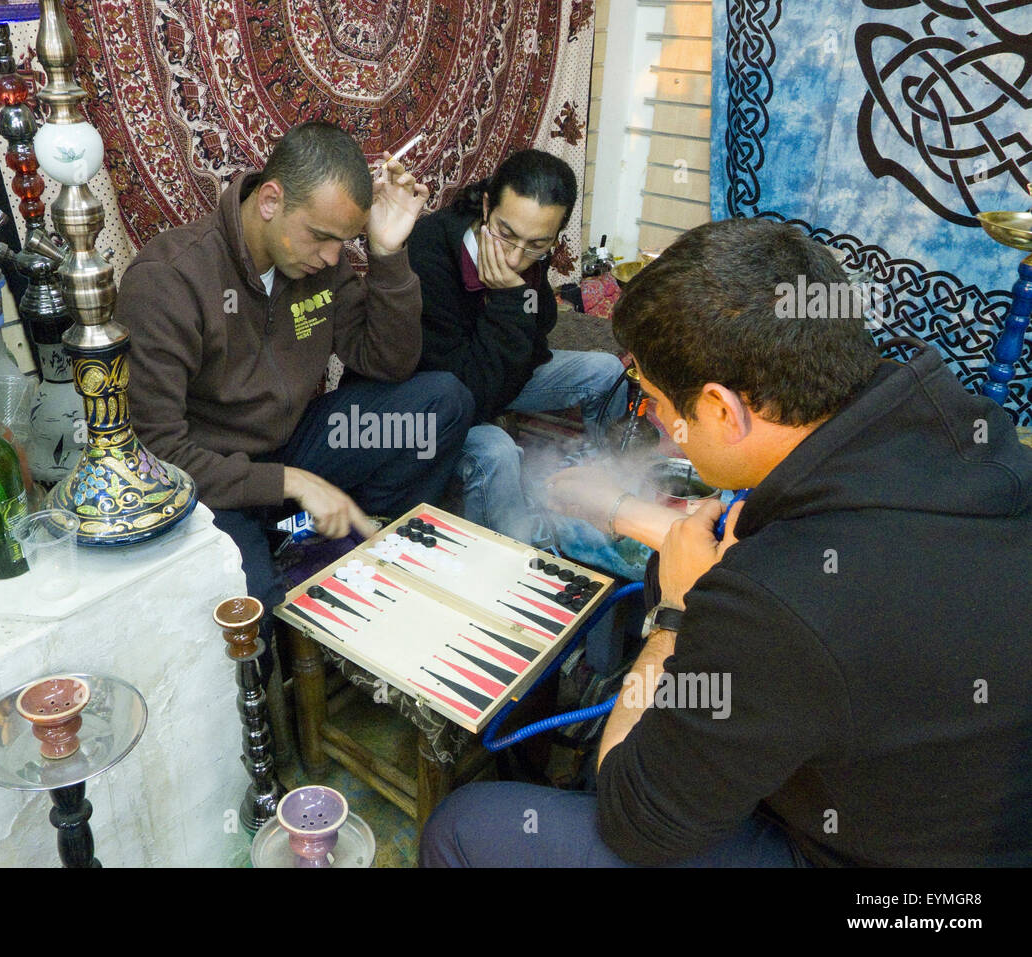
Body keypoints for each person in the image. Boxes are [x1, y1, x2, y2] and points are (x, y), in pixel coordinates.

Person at [420, 216, 1032, 867]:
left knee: (466, 825)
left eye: (652, 399)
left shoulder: (778, 605)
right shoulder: (954, 420)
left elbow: (636, 819)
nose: (651, 416)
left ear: (720, 408)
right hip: (968, 807)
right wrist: (628, 512)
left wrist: (673, 613)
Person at [118, 122, 475, 635]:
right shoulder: (169, 280)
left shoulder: (318, 266)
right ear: (270, 200)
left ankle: (321, 535)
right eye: (323, 237)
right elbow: (155, 453)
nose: (333, 257)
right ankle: (286, 546)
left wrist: (389, 256)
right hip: (212, 483)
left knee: (443, 403)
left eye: (344, 242)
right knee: (254, 607)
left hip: (294, 447)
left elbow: (388, 362)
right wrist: (293, 483)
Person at [407, 149, 627, 552]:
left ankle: (609, 489)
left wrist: (519, 291)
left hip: (502, 373)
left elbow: (539, 327)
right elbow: (467, 392)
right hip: (437, 401)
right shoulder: (429, 250)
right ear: (488, 204)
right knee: (497, 452)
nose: (513, 255)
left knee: (606, 372)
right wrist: (510, 298)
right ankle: (508, 561)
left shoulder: (526, 251)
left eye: (537, 244)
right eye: (505, 234)